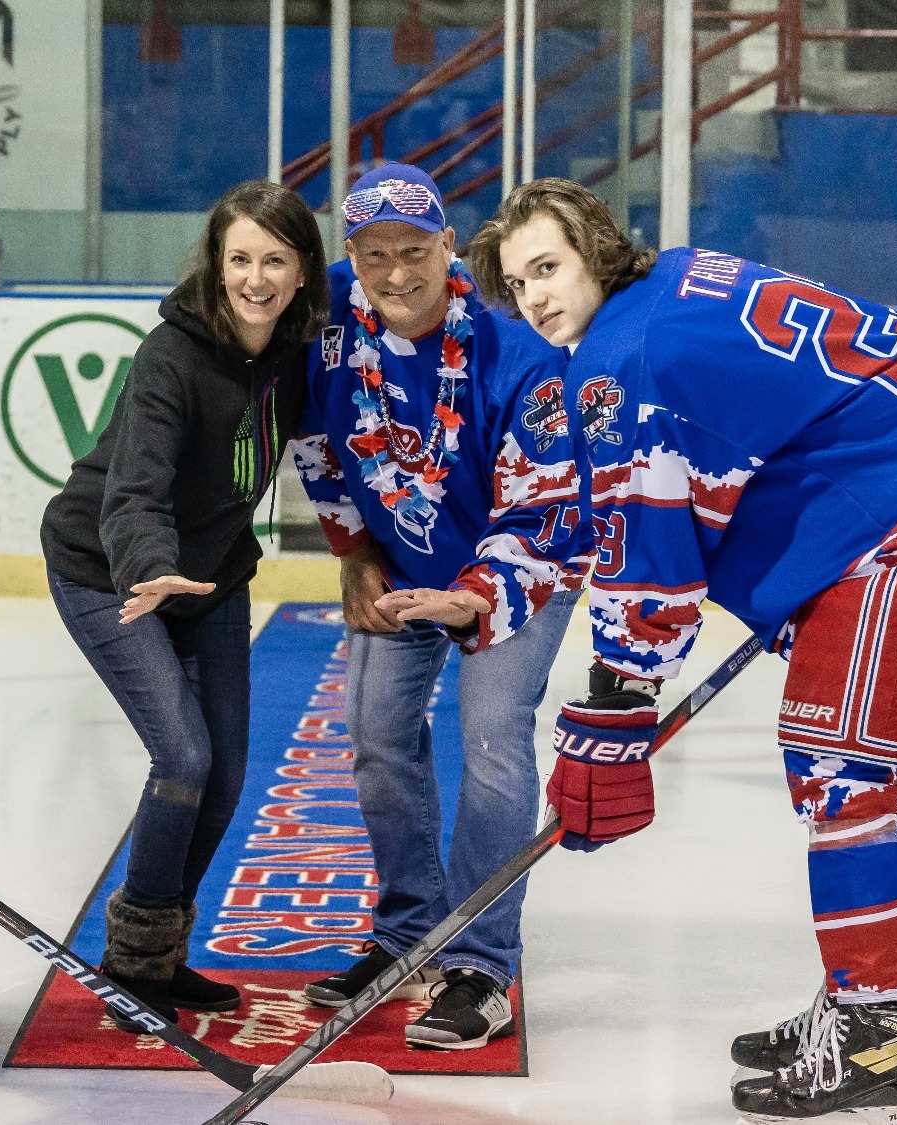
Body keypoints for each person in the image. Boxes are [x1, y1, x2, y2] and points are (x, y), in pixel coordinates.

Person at [468, 179, 897, 1120]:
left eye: (548, 266)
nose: (535, 296)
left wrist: (612, 709)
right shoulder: (667, 284)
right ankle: (853, 998)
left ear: (594, 248)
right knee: (835, 762)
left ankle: (874, 1038)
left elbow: (654, 570)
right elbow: (754, 436)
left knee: (842, 770)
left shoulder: (626, 357)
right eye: (517, 282)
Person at [289, 163, 592, 1051]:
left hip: (522, 569)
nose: (395, 273)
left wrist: (473, 598)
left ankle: (481, 965)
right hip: (403, 563)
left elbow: (543, 511)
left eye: (414, 251)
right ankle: (405, 933)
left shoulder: (518, 354)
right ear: (349, 255)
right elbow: (315, 443)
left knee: (493, 742)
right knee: (377, 735)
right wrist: (353, 555)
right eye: (374, 254)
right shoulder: (330, 321)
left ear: (451, 246)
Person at [40, 181, 328, 1032]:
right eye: (240, 258)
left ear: (303, 270)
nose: (255, 277)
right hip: (112, 573)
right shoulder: (171, 355)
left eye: (275, 259)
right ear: (216, 263)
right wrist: (152, 567)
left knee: (228, 772)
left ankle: (164, 957)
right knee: (184, 758)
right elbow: (133, 491)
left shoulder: (298, 349)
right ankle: (131, 963)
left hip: (215, 580)